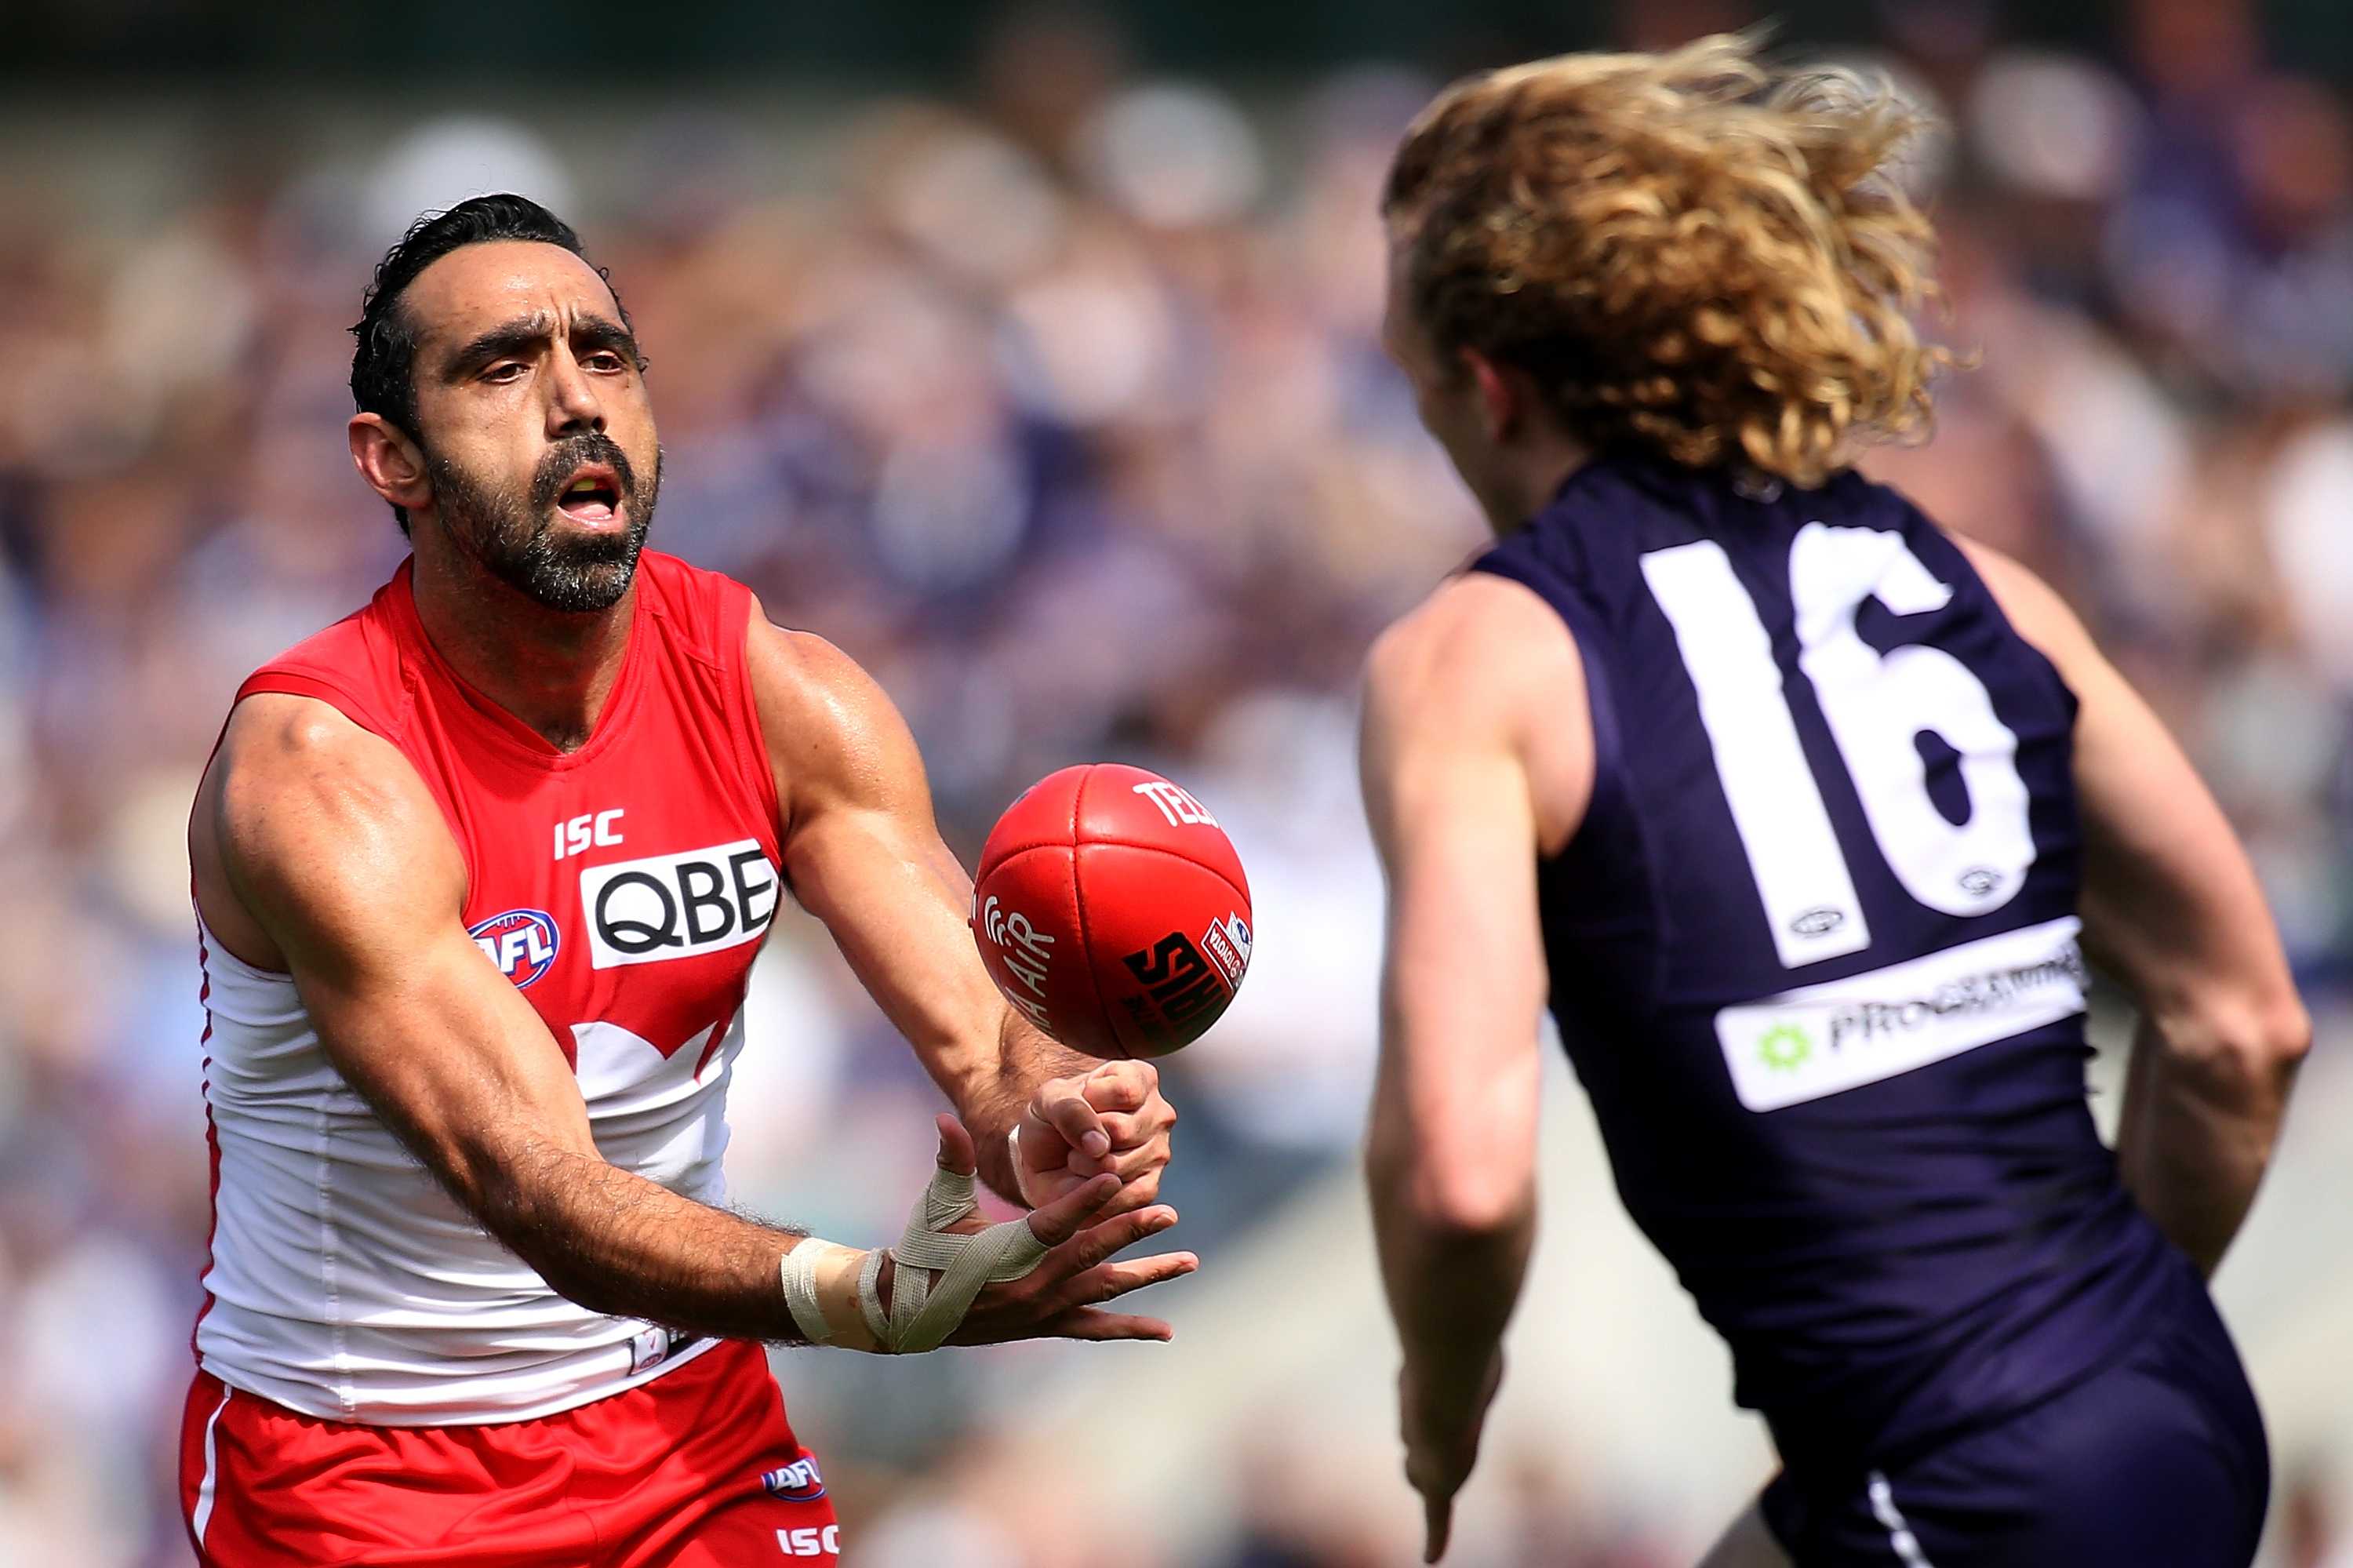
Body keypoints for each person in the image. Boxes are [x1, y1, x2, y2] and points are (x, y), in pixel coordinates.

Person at [1359, 37, 2309, 1568]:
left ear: (1487, 382)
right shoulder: (1985, 590)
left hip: (1960, 1477)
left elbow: (1465, 1176)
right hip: (2172, 1408)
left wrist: (1439, 1416)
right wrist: (2094, 1367)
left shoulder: (1480, 659)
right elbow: (2241, 1026)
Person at [177, 194, 1194, 1568]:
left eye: (604, 357)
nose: (573, 401)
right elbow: (538, 1186)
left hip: (686, 1423)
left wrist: (1057, 1115)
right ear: (390, 461)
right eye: (500, 368)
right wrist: (873, 1297)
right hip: (367, 1477)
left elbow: (986, 1043)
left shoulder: (783, 690)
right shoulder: (319, 770)